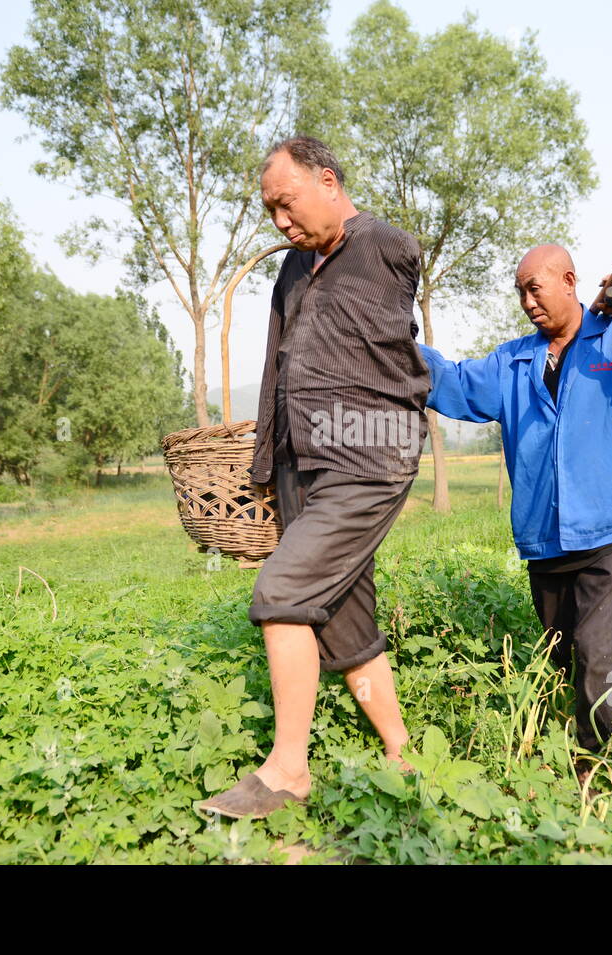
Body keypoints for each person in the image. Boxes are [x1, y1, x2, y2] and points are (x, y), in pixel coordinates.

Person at [196, 136, 429, 820]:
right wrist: (267, 462)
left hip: (368, 456)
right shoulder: (293, 269)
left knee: (283, 590)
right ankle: (402, 751)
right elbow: (277, 365)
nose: (279, 221)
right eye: (268, 209)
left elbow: (400, 271)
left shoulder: (383, 245)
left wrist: (340, 246)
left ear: (328, 181)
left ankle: (288, 769)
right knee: (346, 618)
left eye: (287, 202)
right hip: (305, 461)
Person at [418, 244, 612, 774]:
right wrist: (391, 341)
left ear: (568, 281)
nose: (526, 300)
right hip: (546, 536)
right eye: (519, 291)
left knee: (594, 655)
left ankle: (594, 770)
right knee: (565, 655)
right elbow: (456, 383)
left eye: (534, 288)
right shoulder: (513, 359)